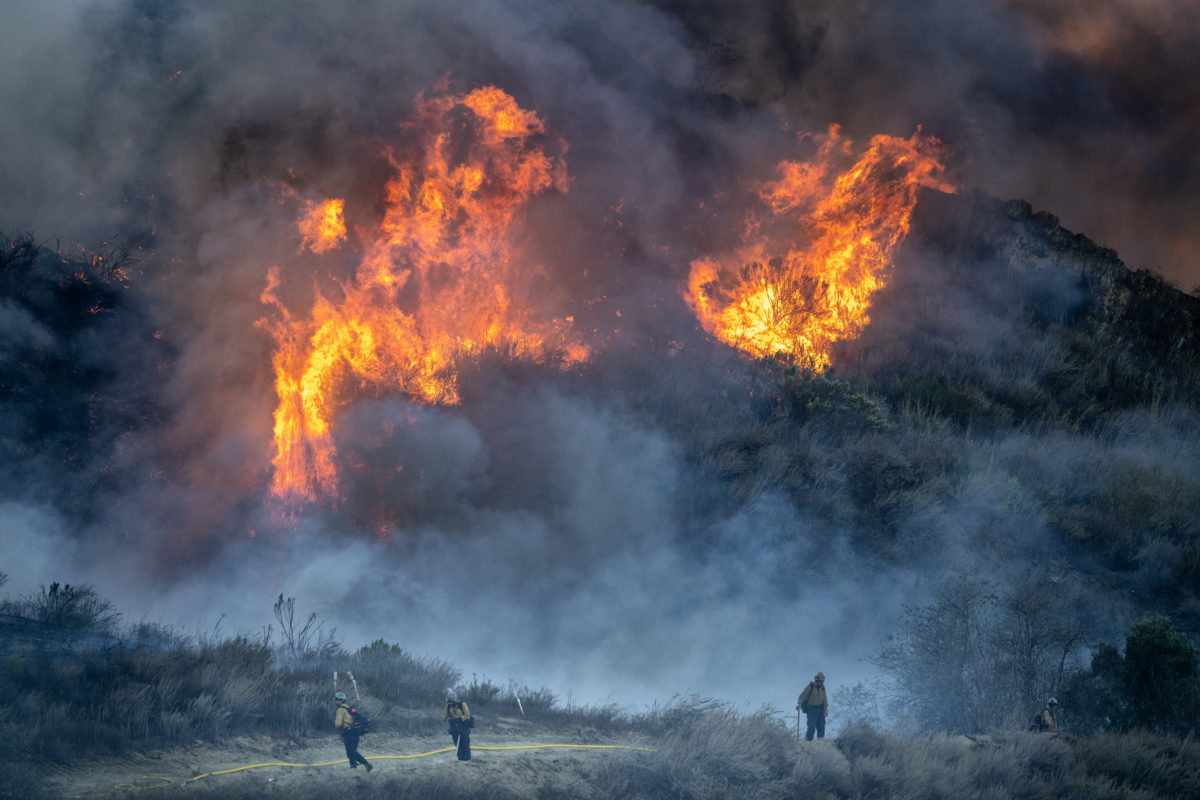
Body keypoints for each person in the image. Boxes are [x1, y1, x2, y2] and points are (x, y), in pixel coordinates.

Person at [334, 692, 373, 771]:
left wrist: (337, 725)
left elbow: (338, 724)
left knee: (351, 752)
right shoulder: (349, 708)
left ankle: (364, 765)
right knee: (352, 752)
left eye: (336, 699)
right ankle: (355, 767)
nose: (335, 701)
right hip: (356, 732)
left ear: (341, 700)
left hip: (348, 733)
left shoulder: (340, 710)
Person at [797, 672, 829, 741]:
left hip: (821, 709)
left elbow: (824, 699)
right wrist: (799, 704)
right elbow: (802, 695)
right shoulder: (810, 687)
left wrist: (826, 709)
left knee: (821, 727)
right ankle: (808, 742)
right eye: (821, 681)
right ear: (817, 680)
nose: (822, 682)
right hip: (811, 709)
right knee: (811, 727)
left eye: (823, 681)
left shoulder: (823, 688)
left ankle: (820, 742)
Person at [445, 689, 472, 761]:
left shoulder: (462, 705)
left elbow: (468, 716)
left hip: (463, 727)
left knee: (465, 744)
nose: (451, 704)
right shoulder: (448, 706)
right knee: (457, 745)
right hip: (454, 728)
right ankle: (460, 759)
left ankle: (467, 760)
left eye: (452, 702)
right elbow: (445, 717)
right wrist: (449, 718)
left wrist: (458, 717)